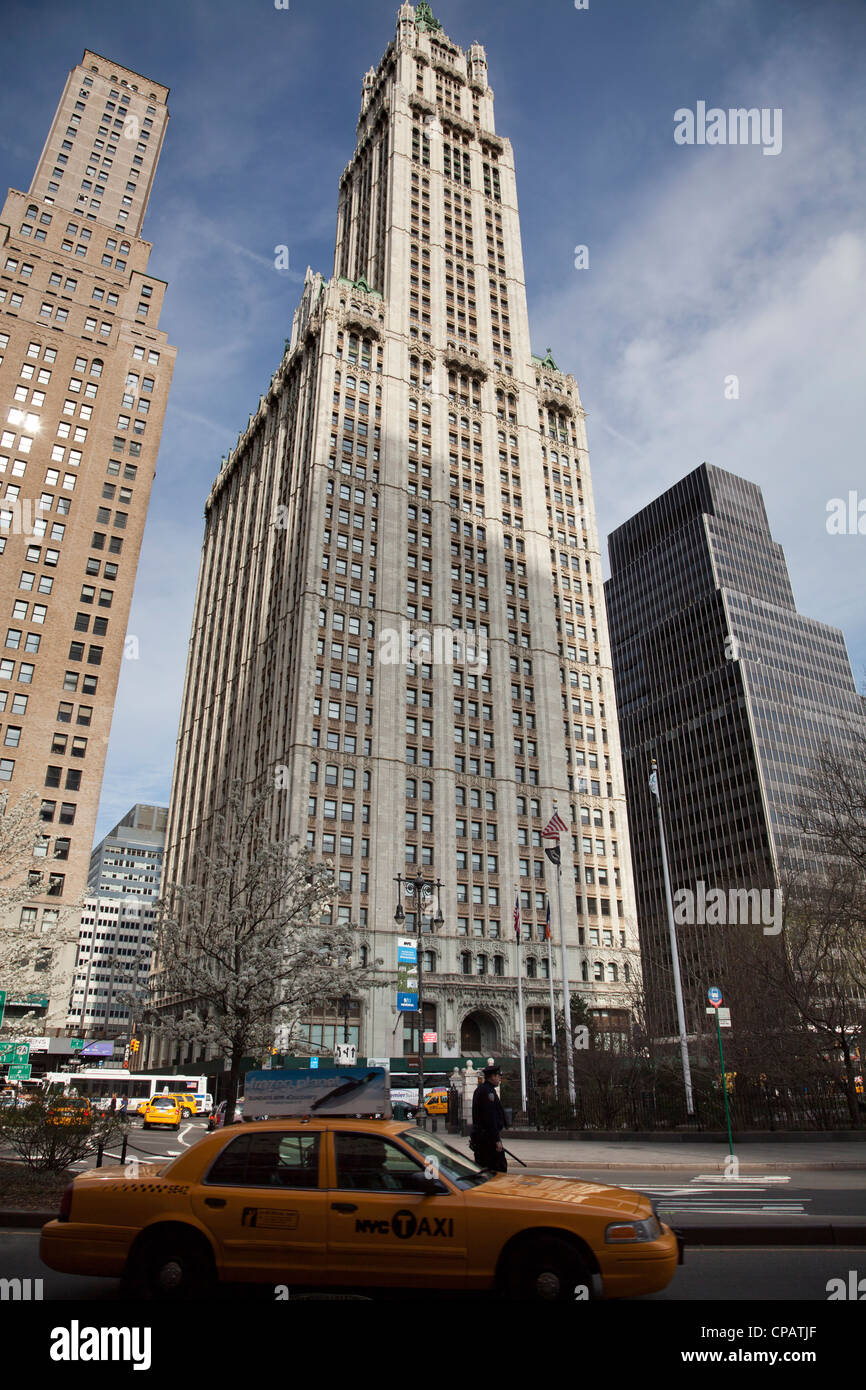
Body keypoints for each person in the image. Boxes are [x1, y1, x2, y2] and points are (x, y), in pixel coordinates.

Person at [470, 1065, 508, 1172]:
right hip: (487, 1139)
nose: (499, 1078)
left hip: (483, 1138)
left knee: (485, 1168)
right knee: (498, 1168)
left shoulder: (482, 1090)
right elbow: (490, 1118)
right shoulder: (488, 1092)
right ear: (492, 1077)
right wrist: (496, 1140)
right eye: (498, 1076)